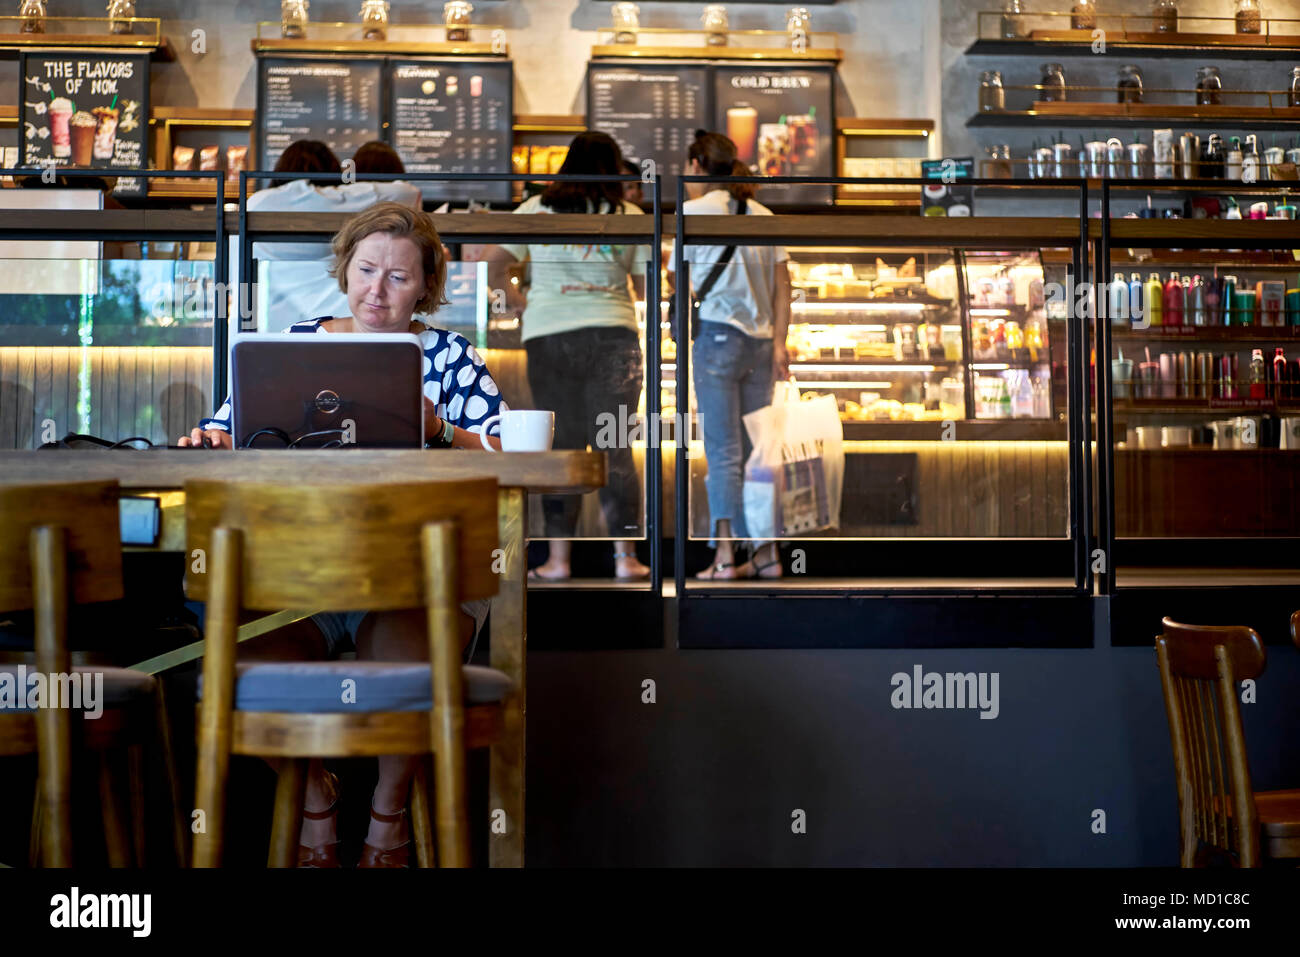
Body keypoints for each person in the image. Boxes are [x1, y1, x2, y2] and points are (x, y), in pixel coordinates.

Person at [181, 201, 506, 867]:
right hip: (303, 575)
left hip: (414, 578)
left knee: (416, 665)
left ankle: (387, 815)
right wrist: (215, 437)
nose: (377, 290)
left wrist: (441, 427)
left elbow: (509, 456)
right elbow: (230, 430)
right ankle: (313, 796)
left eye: (398, 277)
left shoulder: (449, 357)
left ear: (426, 287)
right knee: (231, 656)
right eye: (365, 270)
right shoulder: (293, 342)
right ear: (344, 268)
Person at [480, 132, 651, 581]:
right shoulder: (629, 214)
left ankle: (558, 561)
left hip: (550, 335)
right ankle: (626, 559)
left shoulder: (535, 210)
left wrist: (518, 302)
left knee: (563, 447)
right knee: (616, 447)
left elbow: (490, 262)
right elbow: (648, 287)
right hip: (614, 335)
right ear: (613, 168)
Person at [669, 131, 791, 580]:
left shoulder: (692, 212)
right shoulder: (765, 214)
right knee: (760, 452)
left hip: (718, 340)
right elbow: (784, 288)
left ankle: (725, 556)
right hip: (761, 346)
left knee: (722, 453)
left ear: (699, 166)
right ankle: (767, 553)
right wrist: (778, 344)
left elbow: (678, 284)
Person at [238, 140, 422, 330]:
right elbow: (407, 192)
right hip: (339, 327)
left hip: (267, 325)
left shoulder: (258, 203)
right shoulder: (337, 206)